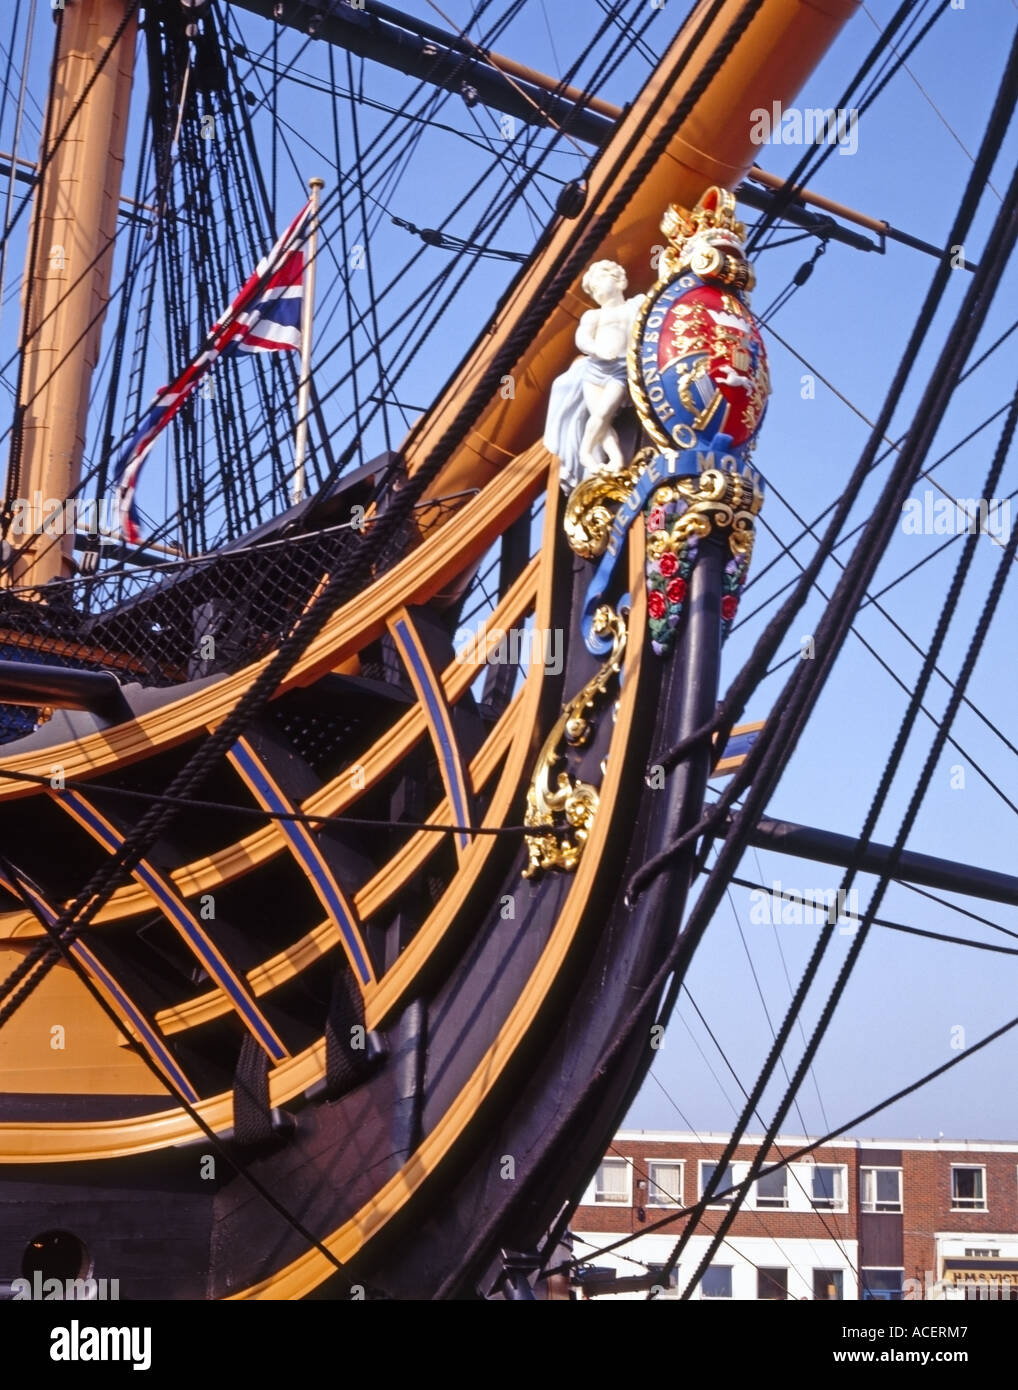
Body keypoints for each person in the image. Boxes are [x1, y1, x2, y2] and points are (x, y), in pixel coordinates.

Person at [543, 260, 644, 490]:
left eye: (599, 281)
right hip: (595, 371)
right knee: (601, 419)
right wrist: (596, 349)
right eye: (591, 288)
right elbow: (583, 338)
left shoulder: (634, 306)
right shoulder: (593, 316)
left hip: (621, 371)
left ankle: (586, 451)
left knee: (603, 413)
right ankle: (614, 458)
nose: (595, 289)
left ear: (619, 280)